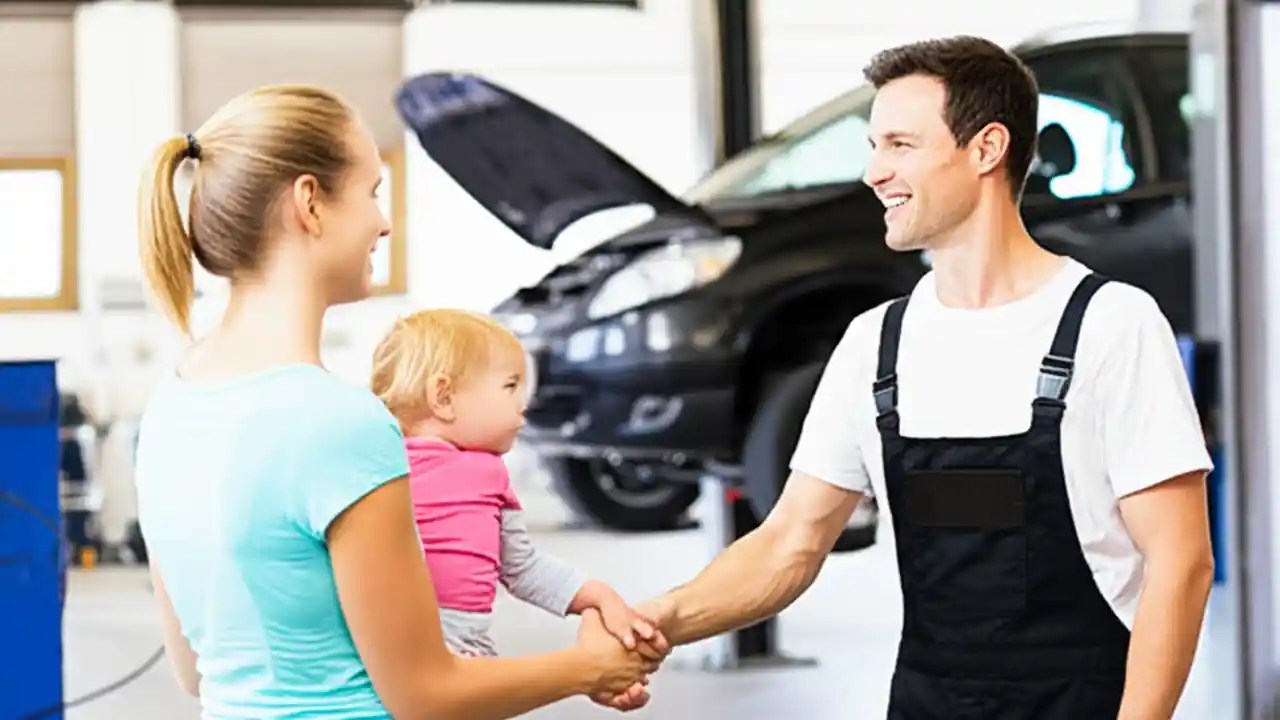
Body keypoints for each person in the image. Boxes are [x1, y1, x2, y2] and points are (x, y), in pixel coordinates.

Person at [612, 36, 1216, 719]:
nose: (874, 172)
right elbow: (789, 542)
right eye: (874, 146)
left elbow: (1180, 563)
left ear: (986, 149)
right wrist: (660, 620)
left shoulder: (1112, 325)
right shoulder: (877, 344)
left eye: (899, 145)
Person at [132, 83, 665, 720]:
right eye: (371, 192)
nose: (383, 222)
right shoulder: (338, 423)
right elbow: (426, 696)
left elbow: (194, 669)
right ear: (310, 202)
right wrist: (588, 668)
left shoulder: (168, 408)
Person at [368, 308, 659, 658]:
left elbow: (522, 567)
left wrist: (596, 594)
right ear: (444, 397)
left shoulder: (490, 474)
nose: (524, 403)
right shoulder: (378, 467)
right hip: (385, 656)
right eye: (510, 386)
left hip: (468, 651)